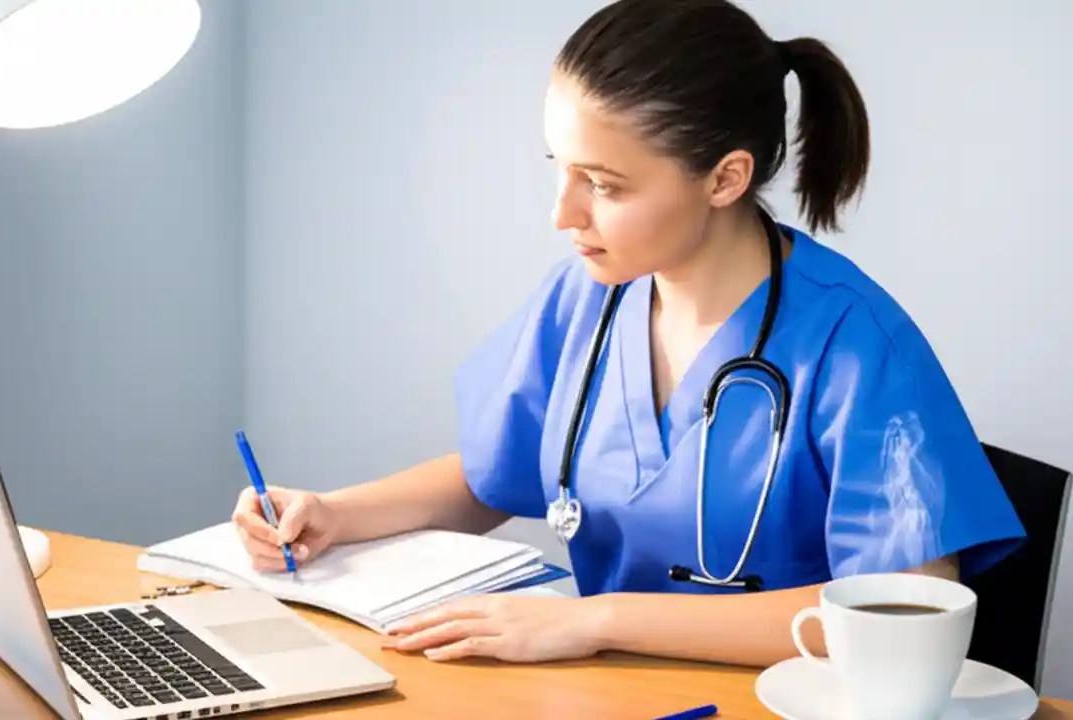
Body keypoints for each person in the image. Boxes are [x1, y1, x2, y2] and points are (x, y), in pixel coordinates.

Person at [232, 0, 1025, 668]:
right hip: (600, 689)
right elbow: (493, 474)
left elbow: (900, 621)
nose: (563, 214)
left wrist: (596, 620)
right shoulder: (590, 295)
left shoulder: (858, 346)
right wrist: (336, 513)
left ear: (725, 177)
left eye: (604, 185)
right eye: (561, 167)